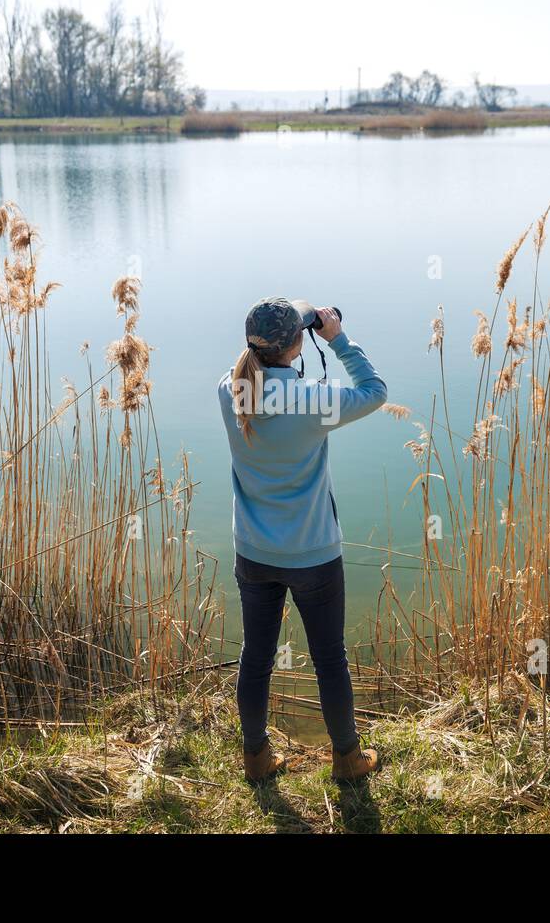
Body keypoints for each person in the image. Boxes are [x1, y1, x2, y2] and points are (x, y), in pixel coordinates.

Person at [216, 297, 388, 782]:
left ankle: (255, 757)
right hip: (313, 556)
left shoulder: (229, 392)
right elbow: (375, 391)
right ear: (298, 344)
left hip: (253, 552)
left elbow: (254, 360)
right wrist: (336, 338)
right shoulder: (315, 400)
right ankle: (349, 759)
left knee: (256, 655)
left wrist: (285, 328)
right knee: (330, 659)